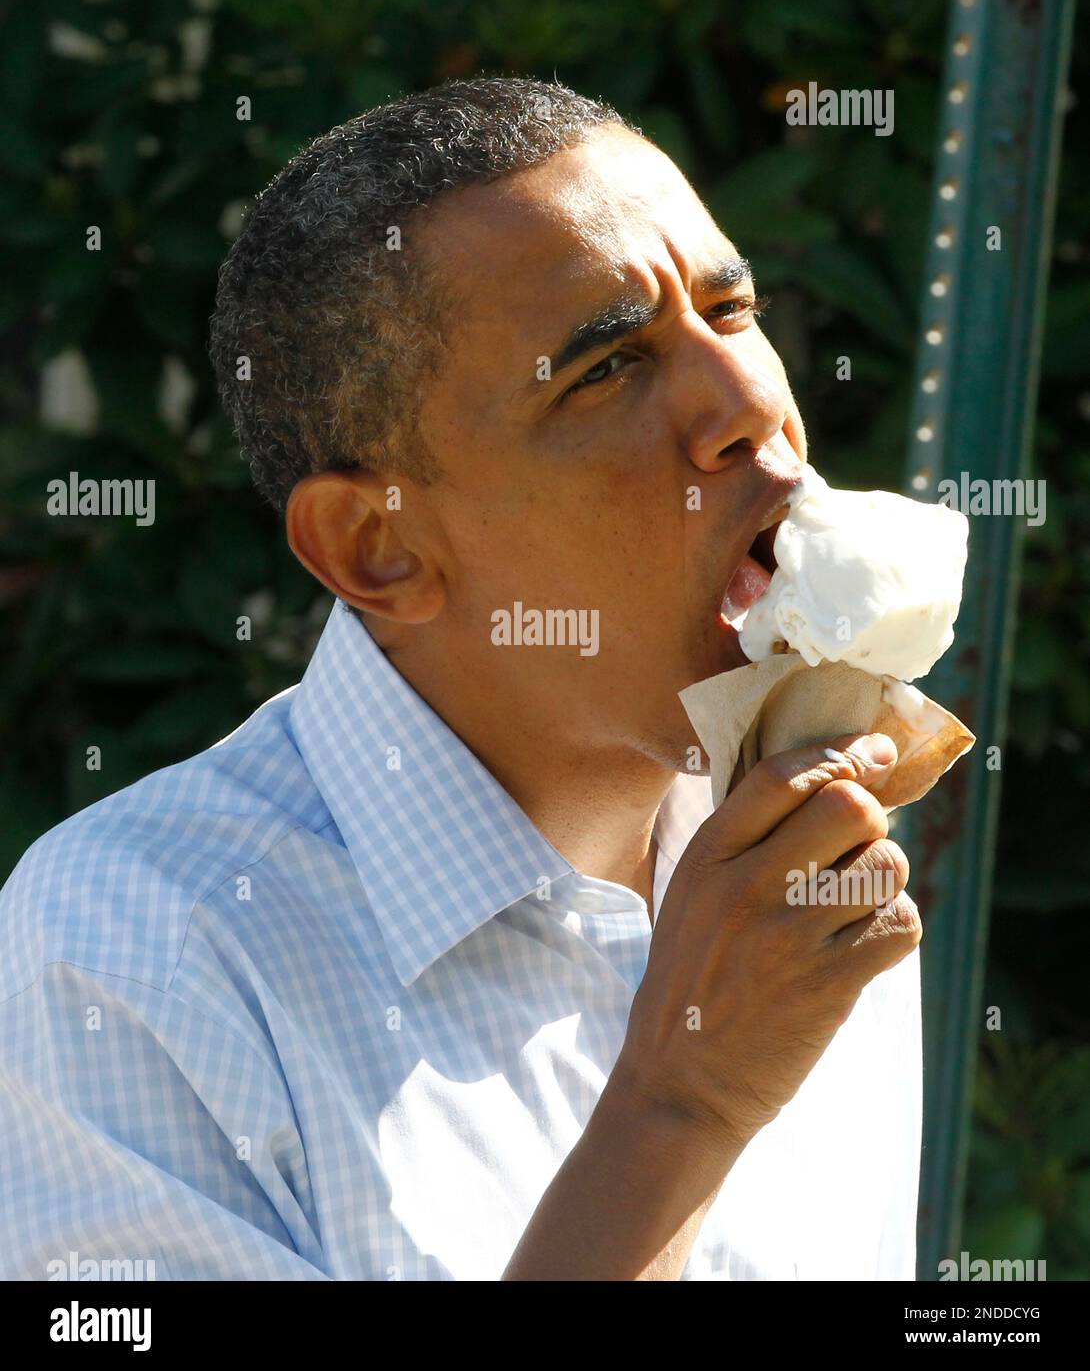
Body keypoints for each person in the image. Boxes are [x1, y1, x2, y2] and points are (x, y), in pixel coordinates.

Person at [0, 75, 921, 1280]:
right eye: (604, 369)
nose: (754, 410)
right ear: (376, 547)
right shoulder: (123, 958)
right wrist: (682, 1106)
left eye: (730, 310)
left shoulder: (816, 855)